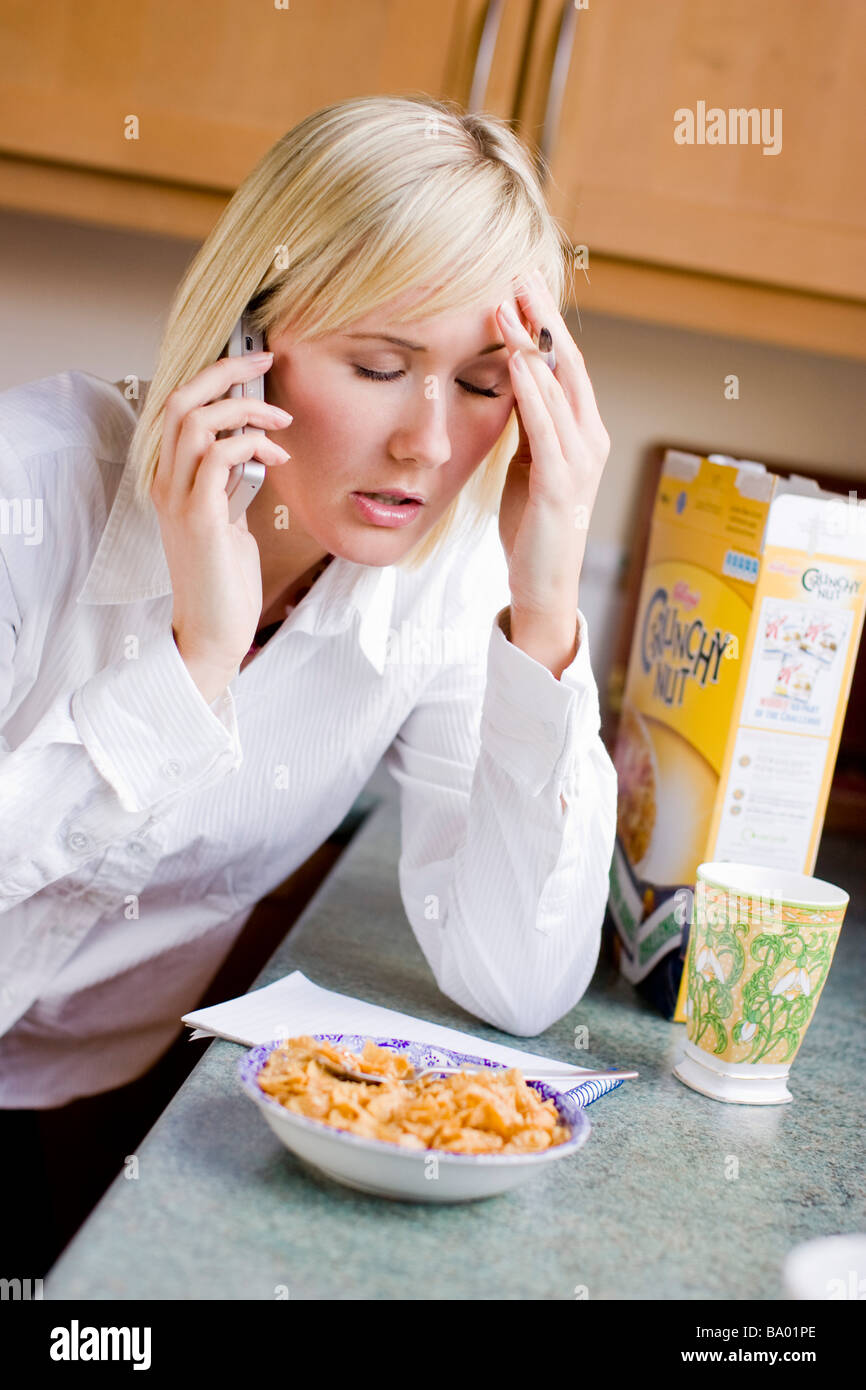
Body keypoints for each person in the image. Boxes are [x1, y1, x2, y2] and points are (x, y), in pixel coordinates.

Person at [0, 94, 616, 1274]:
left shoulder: (439, 587)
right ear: (245, 340)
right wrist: (190, 665)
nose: (429, 445)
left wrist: (540, 615)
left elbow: (517, 982)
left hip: (93, 1114)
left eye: (484, 385)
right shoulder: (31, 493)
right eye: (381, 366)